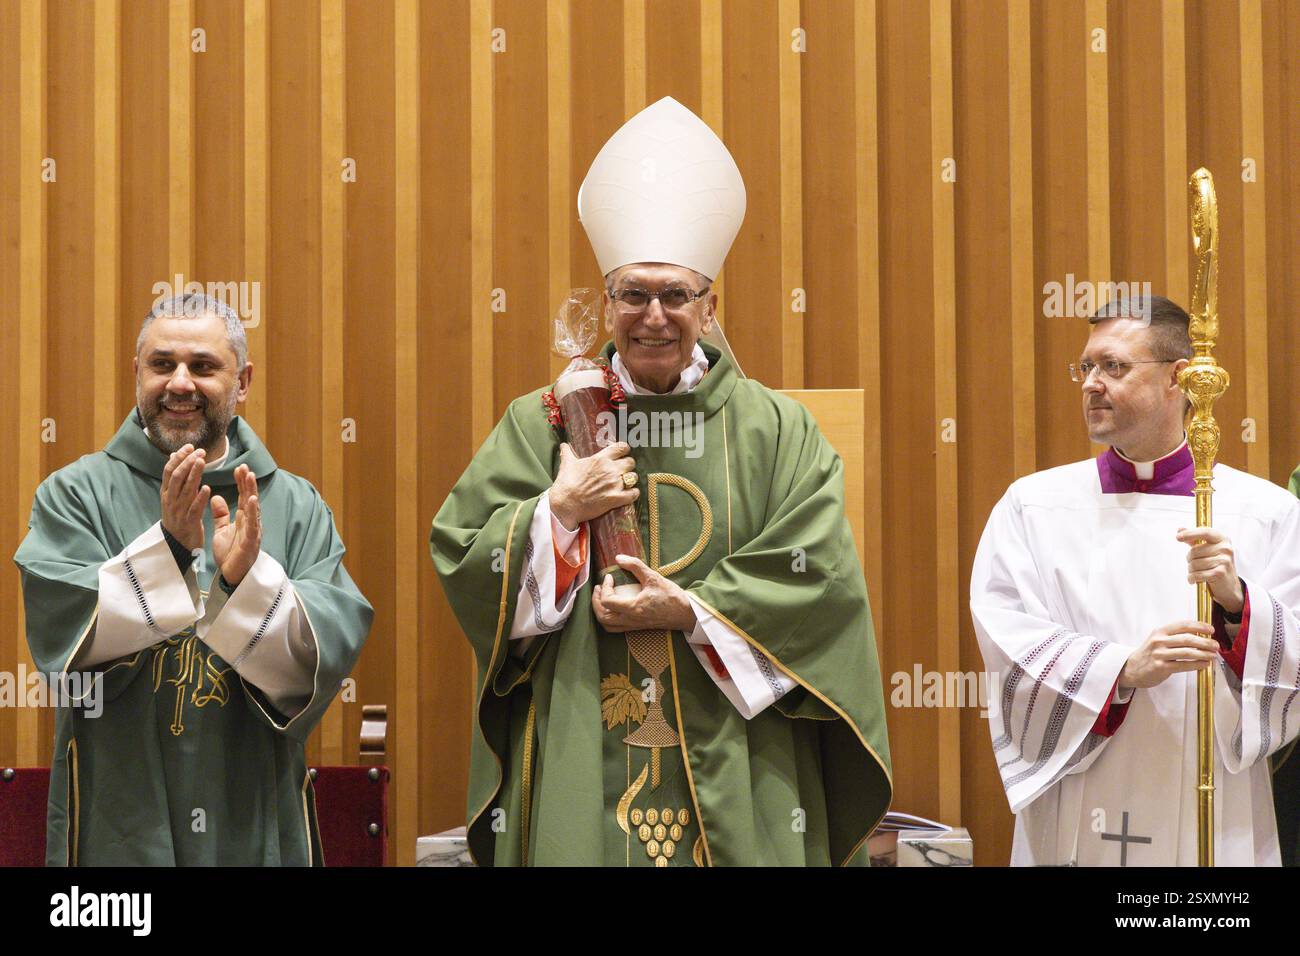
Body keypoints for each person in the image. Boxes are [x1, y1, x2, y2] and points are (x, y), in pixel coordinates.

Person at [430, 97, 891, 866]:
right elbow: (464, 558)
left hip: (740, 750)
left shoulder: (777, 431)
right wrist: (557, 511)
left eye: (675, 295)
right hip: (583, 734)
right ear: (605, 301)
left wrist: (690, 610)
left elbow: (824, 584)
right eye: (633, 293)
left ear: (710, 307)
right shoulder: (542, 422)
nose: (654, 316)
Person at [15, 293, 372, 865]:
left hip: (251, 800)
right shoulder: (74, 493)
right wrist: (169, 553)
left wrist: (244, 587)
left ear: (243, 381)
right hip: (121, 809)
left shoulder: (295, 504)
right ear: (137, 374)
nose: (180, 382)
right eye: (162, 364)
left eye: (203, 366)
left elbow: (325, 651)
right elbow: (61, 626)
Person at [971, 295, 1300, 865]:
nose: (1091, 384)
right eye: (1086, 367)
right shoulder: (1033, 506)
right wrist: (1122, 670)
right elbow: (1008, 644)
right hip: (1078, 793)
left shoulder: (1263, 513)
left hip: (1213, 801)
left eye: (1114, 366)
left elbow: (1292, 663)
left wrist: (1236, 604)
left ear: (1179, 378)